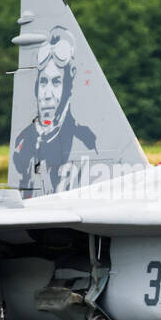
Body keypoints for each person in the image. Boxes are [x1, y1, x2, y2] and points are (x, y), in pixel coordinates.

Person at [11, 27, 98, 197]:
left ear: (68, 86)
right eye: (43, 82)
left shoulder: (85, 141)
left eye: (56, 82)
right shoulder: (22, 141)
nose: (47, 95)